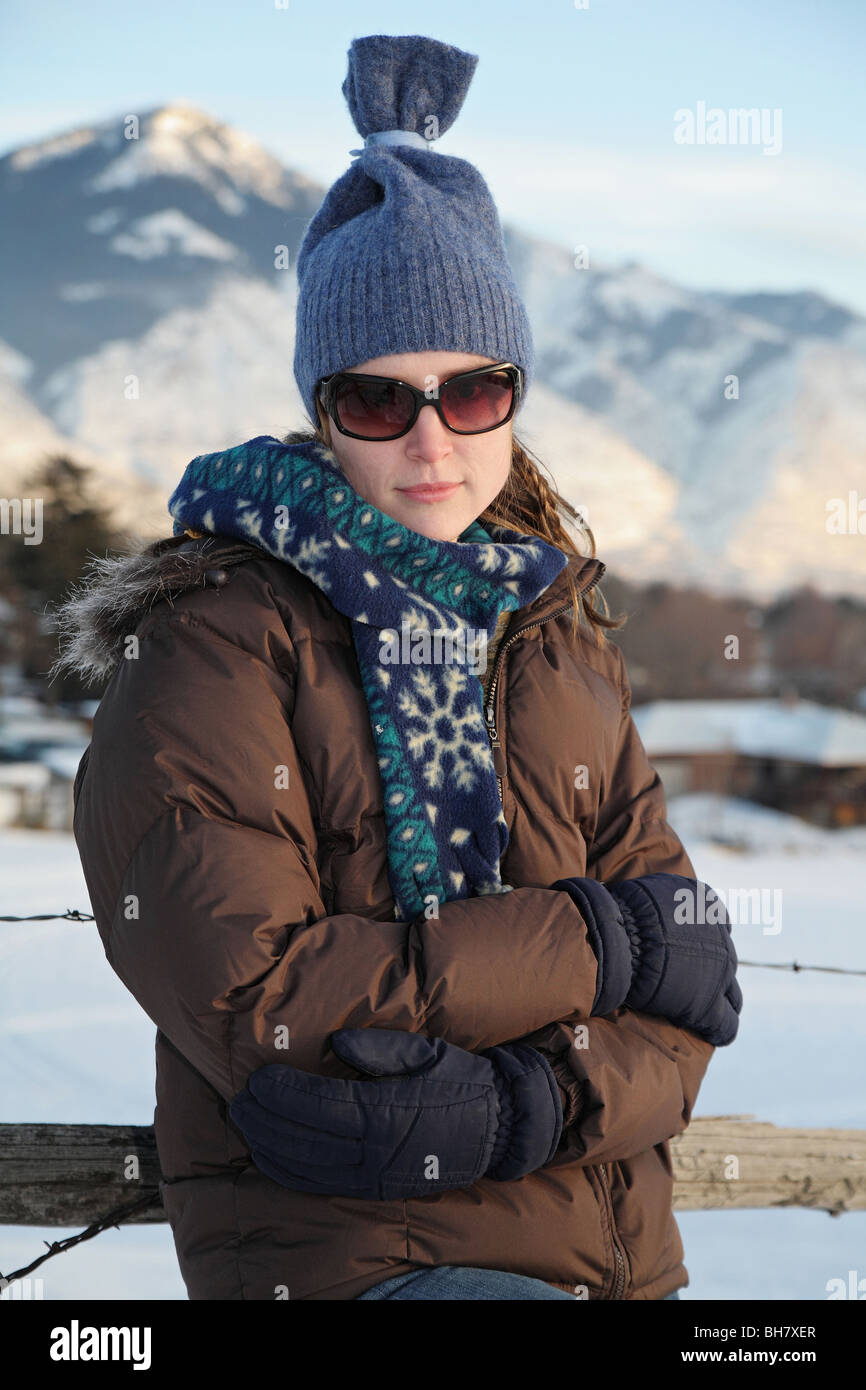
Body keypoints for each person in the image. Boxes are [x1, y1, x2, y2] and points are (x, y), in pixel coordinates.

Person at [54, 33, 741, 1302]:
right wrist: (599, 941)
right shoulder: (213, 638)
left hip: (613, 1262)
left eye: (471, 392)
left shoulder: (555, 635)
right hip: (352, 1259)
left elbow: (690, 985)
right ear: (322, 407)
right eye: (377, 402)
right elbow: (267, 998)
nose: (431, 441)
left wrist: (524, 1106)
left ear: (513, 396)